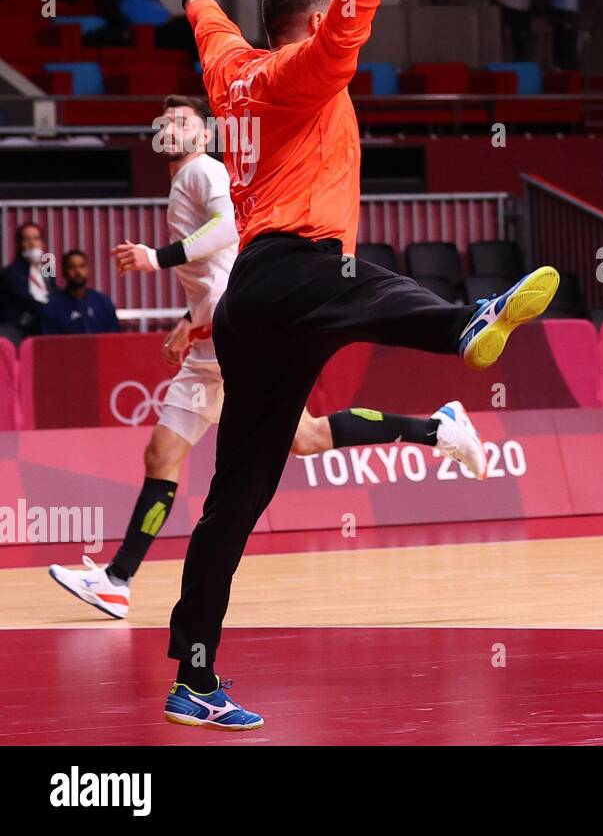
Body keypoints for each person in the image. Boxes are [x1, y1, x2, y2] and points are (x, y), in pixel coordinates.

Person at [149, 0, 558, 729]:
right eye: (326, 16)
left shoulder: (229, 68)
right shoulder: (305, 72)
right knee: (362, 286)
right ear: (309, 25)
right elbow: (352, 18)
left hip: (251, 308)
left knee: (236, 500)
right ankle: (463, 326)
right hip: (296, 269)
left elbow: (206, 19)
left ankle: (194, 676)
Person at [48, 94, 467, 622]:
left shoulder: (203, 172)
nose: (170, 127)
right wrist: (189, 321)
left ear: (203, 134)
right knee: (209, 450)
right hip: (212, 339)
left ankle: (435, 428)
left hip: (234, 335)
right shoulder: (184, 181)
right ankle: (117, 580)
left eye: (183, 120)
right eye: (165, 121)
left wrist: (158, 259)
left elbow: (228, 231)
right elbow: (219, 266)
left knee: (277, 441)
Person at [40, 250, 119, 334]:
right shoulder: (53, 307)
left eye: (82, 266)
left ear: (88, 270)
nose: (77, 271)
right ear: (63, 271)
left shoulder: (103, 303)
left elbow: (115, 338)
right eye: (71, 267)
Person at [0, 221, 51, 338]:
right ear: (19, 244)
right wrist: (52, 310)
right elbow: (26, 300)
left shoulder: (46, 270)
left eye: (36, 238)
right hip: (20, 330)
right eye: (26, 239)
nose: (32, 243)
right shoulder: (11, 273)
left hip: (46, 326)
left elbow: (54, 295)